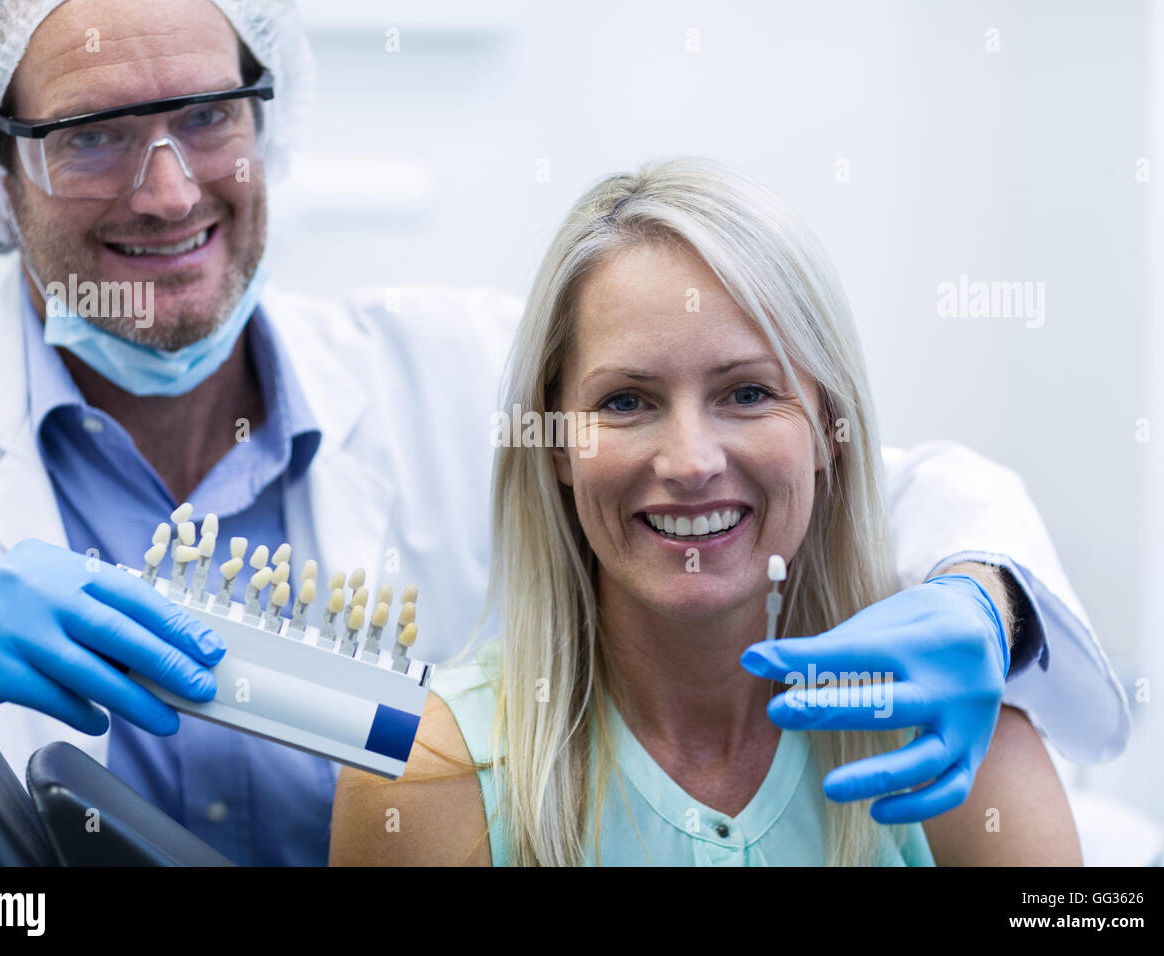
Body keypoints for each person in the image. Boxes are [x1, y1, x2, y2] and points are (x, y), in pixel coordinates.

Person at [0, 0, 1124, 866]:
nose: (168, 188)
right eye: (93, 136)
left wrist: (982, 603)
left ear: (268, 122)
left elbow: (828, 480)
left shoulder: (483, 377)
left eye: (209, 116)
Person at [329, 159, 1083, 865]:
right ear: (556, 443)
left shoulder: (954, 750)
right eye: (626, 402)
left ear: (828, 427)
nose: (690, 462)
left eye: (748, 393)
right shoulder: (424, 775)